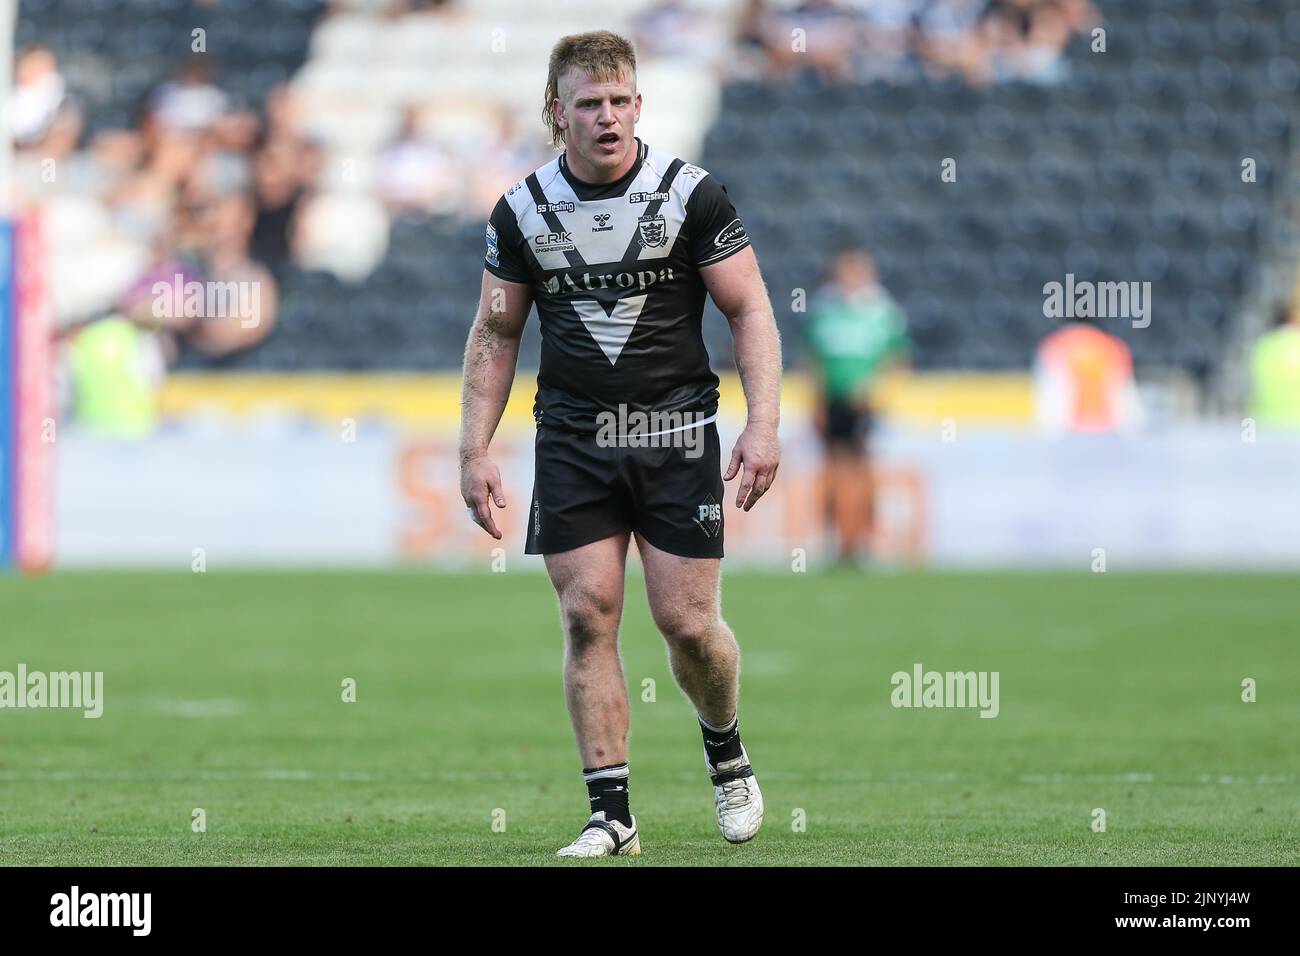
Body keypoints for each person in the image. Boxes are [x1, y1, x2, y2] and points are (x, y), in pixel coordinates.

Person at [458, 31, 782, 857]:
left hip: (676, 436)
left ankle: (727, 751)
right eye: (589, 104)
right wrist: (474, 447)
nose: (607, 118)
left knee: (687, 624)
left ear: (638, 104)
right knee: (586, 613)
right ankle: (612, 815)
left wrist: (763, 423)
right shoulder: (522, 209)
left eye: (620, 102)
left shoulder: (689, 195)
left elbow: (749, 309)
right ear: (557, 113)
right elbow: (497, 331)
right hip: (572, 440)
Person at [803, 249, 910, 564]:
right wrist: (815, 401)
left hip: (866, 406)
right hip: (832, 402)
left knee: (864, 469)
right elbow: (813, 361)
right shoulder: (825, 311)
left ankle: (863, 539)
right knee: (833, 469)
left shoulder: (883, 312)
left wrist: (877, 392)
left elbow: (897, 360)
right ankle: (836, 539)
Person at [1034, 312, 1142, 436]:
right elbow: (1125, 397)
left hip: (1071, 434)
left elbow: (1051, 396)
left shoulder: (1055, 345)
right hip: (1109, 434)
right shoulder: (1112, 345)